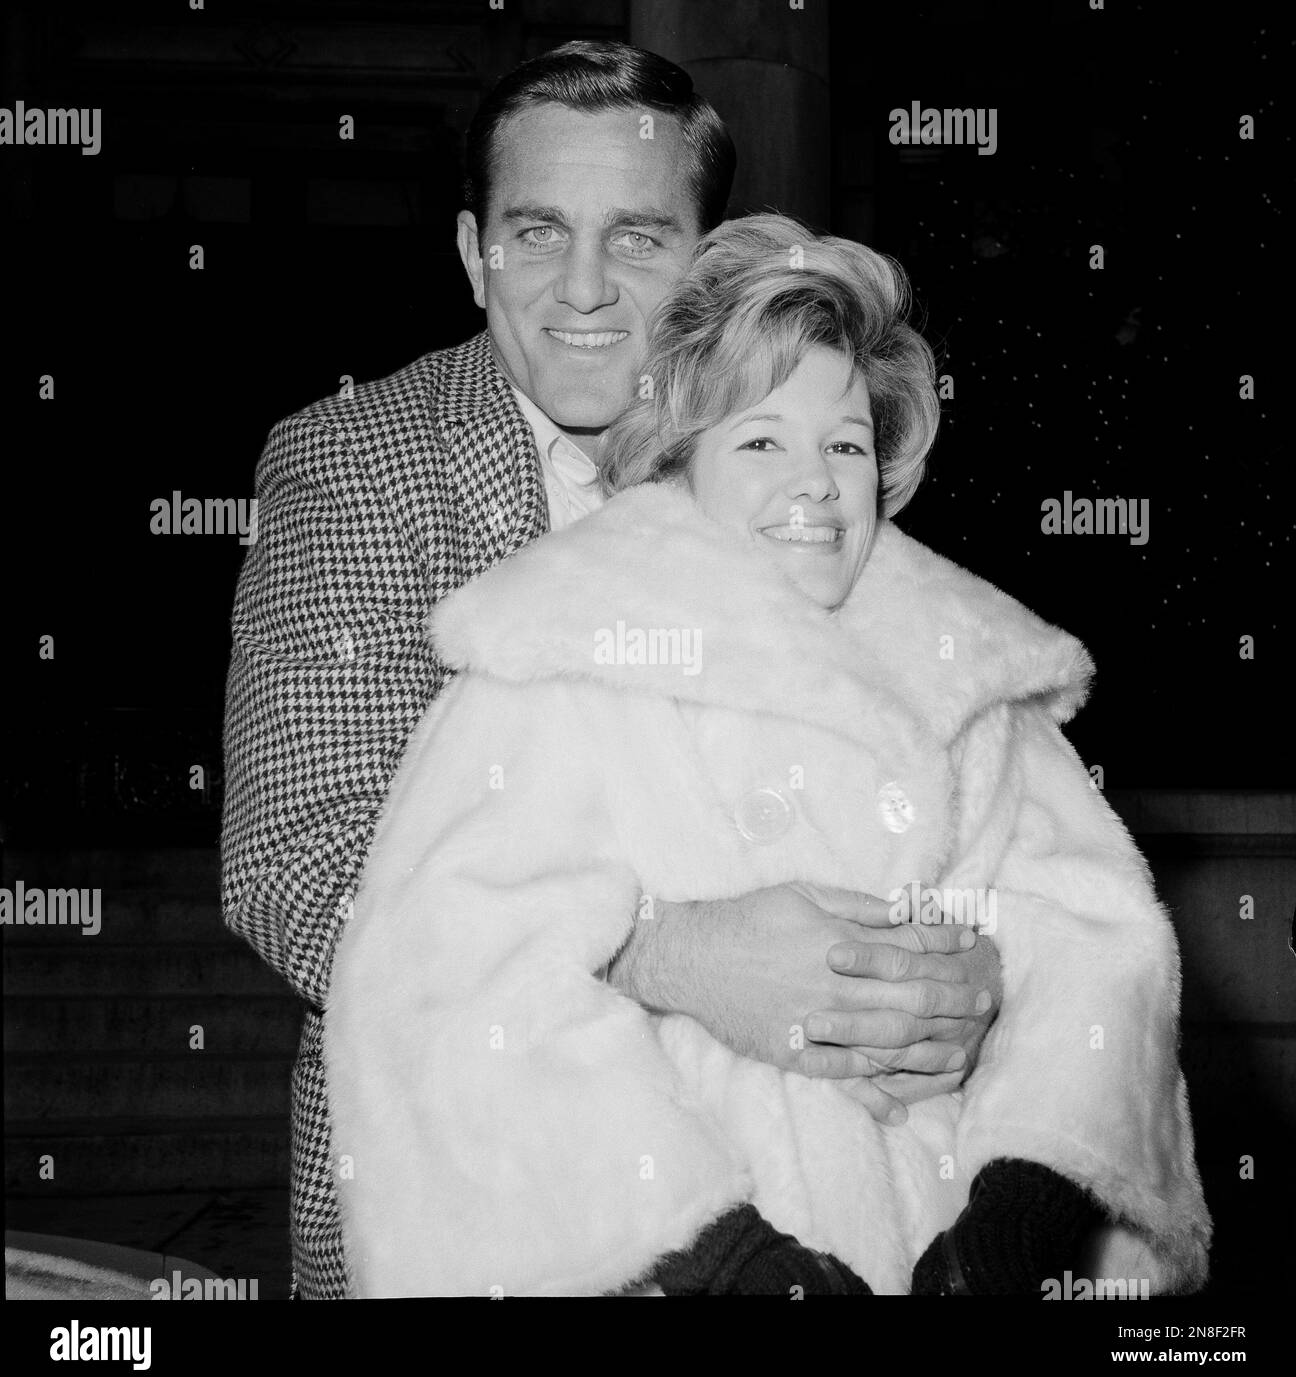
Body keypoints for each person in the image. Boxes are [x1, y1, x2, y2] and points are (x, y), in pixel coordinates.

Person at [221, 41, 999, 1300]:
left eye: (636, 239)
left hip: (804, 1217)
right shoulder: (352, 466)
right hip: (470, 1213)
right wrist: (670, 956)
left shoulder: (795, 462)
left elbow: (927, 796)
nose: (580, 290)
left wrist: (959, 976)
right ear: (475, 253)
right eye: (536, 234)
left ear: (707, 262)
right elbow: (301, 867)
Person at [326, 214, 1211, 1297]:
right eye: (760, 440)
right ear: (678, 461)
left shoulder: (970, 677)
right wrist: (729, 1262)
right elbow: (445, 985)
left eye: (844, 442)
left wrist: (1008, 1227)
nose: (816, 483)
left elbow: (1100, 949)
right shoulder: (555, 664)